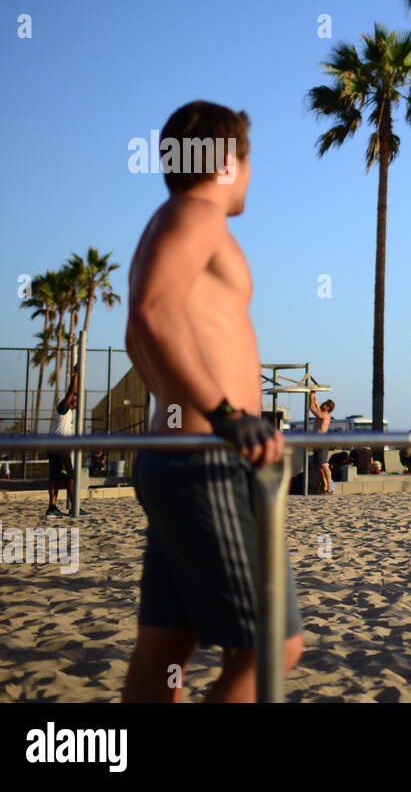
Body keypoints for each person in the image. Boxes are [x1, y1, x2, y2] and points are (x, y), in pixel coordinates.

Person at [121, 101, 303, 702]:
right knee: (272, 646)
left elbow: (135, 334)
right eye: (249, 161)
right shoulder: (197, 217)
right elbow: (151, 312)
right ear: (229, 162)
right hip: (205, 462)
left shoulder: (171, 218)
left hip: (180, 455)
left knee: (168, 644)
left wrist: (178, 407)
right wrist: (224, 416)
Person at [46, 366, 87, 517]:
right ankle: (74, 507)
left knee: (55, 478)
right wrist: (75, 374)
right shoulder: (63, 408)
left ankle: (52, 507)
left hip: (55, 447)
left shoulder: (66, 412)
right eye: (74, 399)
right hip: (59, 449)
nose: (76, 401)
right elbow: (71, 392)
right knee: (70, 478)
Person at [308, 393, 335, 494]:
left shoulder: (324, 415)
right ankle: (324, 485)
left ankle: (329, 487)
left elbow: (312, 408)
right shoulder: (322, 413)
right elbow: (316, 405)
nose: (323, 405)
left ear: (328, 408)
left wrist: (310, 398)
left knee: (324, 464)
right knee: (318, 465)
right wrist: (314, 396)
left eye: (325, 404)